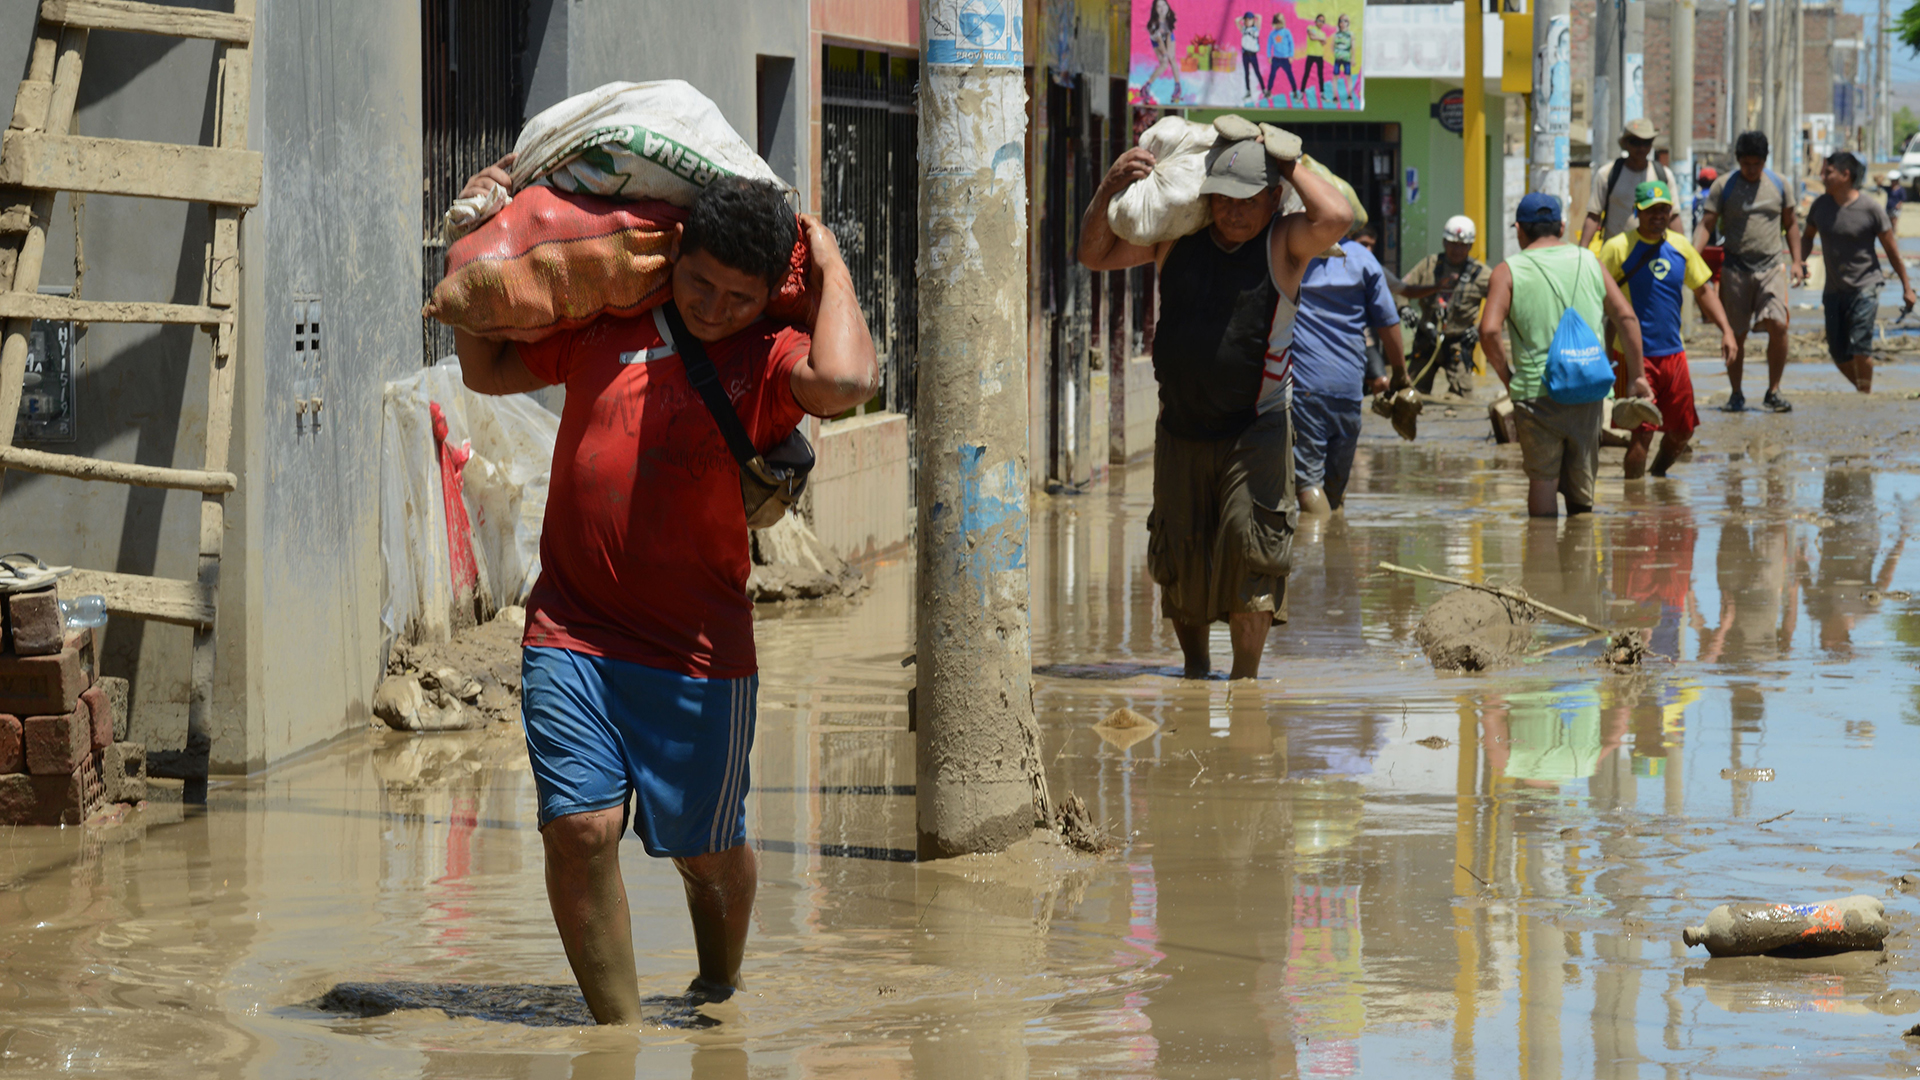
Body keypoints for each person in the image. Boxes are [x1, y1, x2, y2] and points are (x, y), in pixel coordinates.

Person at [453, 167, 879, 1023]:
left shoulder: (766, 360)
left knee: (709, 856)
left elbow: (846, 384)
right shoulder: (606, 326)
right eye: (700, 285)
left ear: (767, 296)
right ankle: (616, 1042)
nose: (715, 308)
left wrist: (828, 262)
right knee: (579, 831)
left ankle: (717, 984)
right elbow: (487, 364)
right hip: (571, 633)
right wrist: (480, 227)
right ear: (673, 252)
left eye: (738, 295)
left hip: (696, 657)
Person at [1079, 118, 1354, 678]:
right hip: (1179, 424)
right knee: (1179, 555)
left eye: (1247, 201)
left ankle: (1245, 683)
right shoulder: (1175, 239)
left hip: (1254, 429)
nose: (1232, 212)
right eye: (1222, 199)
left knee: (1250, 550)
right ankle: (1195, 674)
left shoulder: (1283, 244)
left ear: (1272, 200)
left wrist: (1286, 161)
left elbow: (1337, 217)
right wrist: (1109, 187)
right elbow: (1094, 254)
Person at [1478, 193, 1650, 518]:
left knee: (1543, 482)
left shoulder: (1507, 271)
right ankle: (1579, 561)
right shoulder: (1589, 261)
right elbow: (1626, 317)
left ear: (1519, 229)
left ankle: (1541, 563)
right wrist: (1638, 376)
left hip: (1535, 394)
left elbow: (1488, 332)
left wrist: (1509, 378)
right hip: (1589, 390)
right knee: (1582, 490)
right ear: (1561, 226)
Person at [1597, 180, 1739, 479]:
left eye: (1663, 209)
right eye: (1650, 210)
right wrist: (1602, 355)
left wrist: (1726, 329)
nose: (1658, 216)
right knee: (1642, 435)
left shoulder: (1680, 246)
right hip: (1634, 357)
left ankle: (1657, 477)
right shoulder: (1617, 248)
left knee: (1683, 432)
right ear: (1637, 211)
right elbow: (1596, 299)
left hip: (1674, 356)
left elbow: (1703, 291)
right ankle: (1634, 505)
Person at [1289, 225, 1409, 514]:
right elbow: (1388, 321)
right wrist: (1401, 373)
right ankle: (1335, 550)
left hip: (1305, 389)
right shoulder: (1363, 258)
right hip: (1350, 391)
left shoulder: (1292, 252)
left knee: (1308, 486)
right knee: (1334, 487)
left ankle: (1316, 544)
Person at [1695, 130, 1800, 413]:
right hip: (1735, 270)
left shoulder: (1780, 185)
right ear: (1738, 160)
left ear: (1765, 161)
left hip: (1770, 267)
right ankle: (1736, 393)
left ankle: (1773, 391)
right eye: (1746, 164)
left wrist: (1798, 262)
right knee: (1735, 333)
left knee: (1779, 324)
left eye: (1757, 164)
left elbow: (1791, 224)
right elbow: (1706, 224)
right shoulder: (1723, 186)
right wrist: (1692, 257)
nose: (1751, 170)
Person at [1799, 151, 1916, 393]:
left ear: (1845, 175)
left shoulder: (1870, 208)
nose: (1823, 177)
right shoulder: (1820, 206)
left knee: (1860, 346)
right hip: (1833, 290)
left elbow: (1892, 251)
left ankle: (1864, 397)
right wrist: (1799, 262)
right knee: (1837, 351)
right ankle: (1863, 391)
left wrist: (1907, 287)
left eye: (1828, 172)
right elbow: (1807, 237)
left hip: (1866, 287)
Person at [1399, 215, 1490, 397]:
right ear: (1443, 242)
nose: (1456, 249)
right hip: (1427, 339)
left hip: (1458, 342)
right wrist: (1404, 308)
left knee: (1463, 397)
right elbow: (1401, 288)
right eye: (1452, 243)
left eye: (1462, 245)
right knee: (1410, 394)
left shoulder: (1482, 275)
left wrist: (1480, 329)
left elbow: (1503, 304)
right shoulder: (1428, 266)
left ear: (1470, 246)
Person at [1579, 117, 1680, 250]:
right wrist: (1581, 252)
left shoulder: (1663, 175)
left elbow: (1674, 217)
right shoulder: (1607, 174)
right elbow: (1594, 215)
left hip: (1654, 254)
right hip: (1617, 254)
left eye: (1646, 142)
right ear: (1625, 144)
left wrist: (1683, 252)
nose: (1641, 147)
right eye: (1635, 142)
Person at [1144, 0, 1185, 106]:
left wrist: (1169, 53)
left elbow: (1168, 36)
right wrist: (1164, 53)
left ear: (1167, 6)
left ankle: (1177, 87)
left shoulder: (1169, 19)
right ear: (1155, 9)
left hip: (1167, 37)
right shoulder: (1154, 25)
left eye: (1164, 5)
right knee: (1164, 63)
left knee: (1172, 59)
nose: (1162, 8)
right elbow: (1160, 42)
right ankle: (1147, 86)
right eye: (1158, 6)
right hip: (1157, 41)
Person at [1266, 14, 1299, 109]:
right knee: (1272, 75)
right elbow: (1269, 45)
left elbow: (1291, 44)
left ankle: (1295, 91)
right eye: (1276, 24)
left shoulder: (1286, 32)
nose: (1277, 26)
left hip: (1285, 58)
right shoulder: (1272, 34)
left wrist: (1291, 56)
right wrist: (1269, 56)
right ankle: (1269, 90)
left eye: (1279, 23)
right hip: (1276, 58)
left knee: (1290, 75)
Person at [1301, 15, 1330, 106]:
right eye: (1319, 20)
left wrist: (1318, 37)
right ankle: (1301, 93)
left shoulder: (1323, 33)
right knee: (1306, 74)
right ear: (1316, 20)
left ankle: (1322, 94)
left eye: (1323, 21)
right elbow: (1311, 37)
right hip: (1310, 55)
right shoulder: (1310, 27)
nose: (1321, 23)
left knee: (1320, 75)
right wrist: (1320, 38)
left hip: (1319, 56)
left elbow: (1324, 42)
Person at [1240, 11, 1266, 102]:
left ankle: (1264, 90)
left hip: (1252, 54)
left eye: (1249, 20)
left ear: (1253, 21)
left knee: (1257, 72)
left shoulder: (1255, 29)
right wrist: (1242, 18)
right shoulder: (1244, 29)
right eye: (1246, 20)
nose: (1248, 22)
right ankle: (1248, 91)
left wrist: (1253, 16)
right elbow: (1236, 21)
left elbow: (1260, 16)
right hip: (1245, 54)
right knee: (1246, 73)